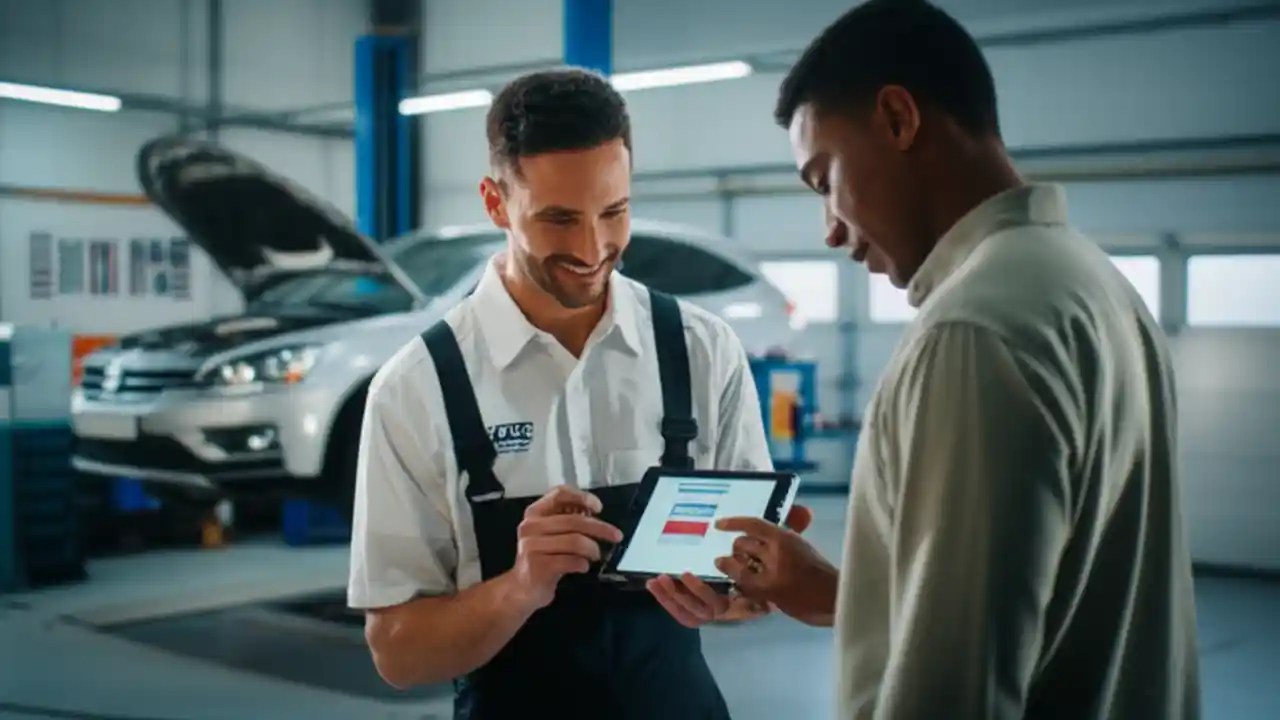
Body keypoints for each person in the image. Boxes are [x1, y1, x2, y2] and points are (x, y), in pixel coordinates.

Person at [714, 1, 1202, 718]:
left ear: (897, 119)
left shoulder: (972, 330)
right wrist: (845, 596)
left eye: (825, 181)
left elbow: (953, 693)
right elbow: (1042, 602)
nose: (831, 232)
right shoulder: (1092, 286)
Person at [347, 67, 808, 720]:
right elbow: (396, 653)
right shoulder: (416, 388)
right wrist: (520, 588)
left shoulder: (703, 351)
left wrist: (737, 595)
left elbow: (752, 593)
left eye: (614, 212)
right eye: (558, 220)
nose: (593, 249)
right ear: (495, 202)